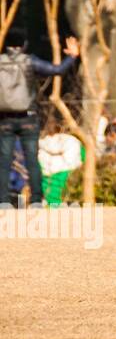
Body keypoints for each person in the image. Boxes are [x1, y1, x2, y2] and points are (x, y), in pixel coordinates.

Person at [0, 27, 80, 208]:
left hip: (4, 119)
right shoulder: (30, 61)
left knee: (4, 161)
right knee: (32, 160)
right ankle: (36, 200)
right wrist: (72, 56)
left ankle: (3, 201)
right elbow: (56, 70)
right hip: (28, 118)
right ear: (24, 44)